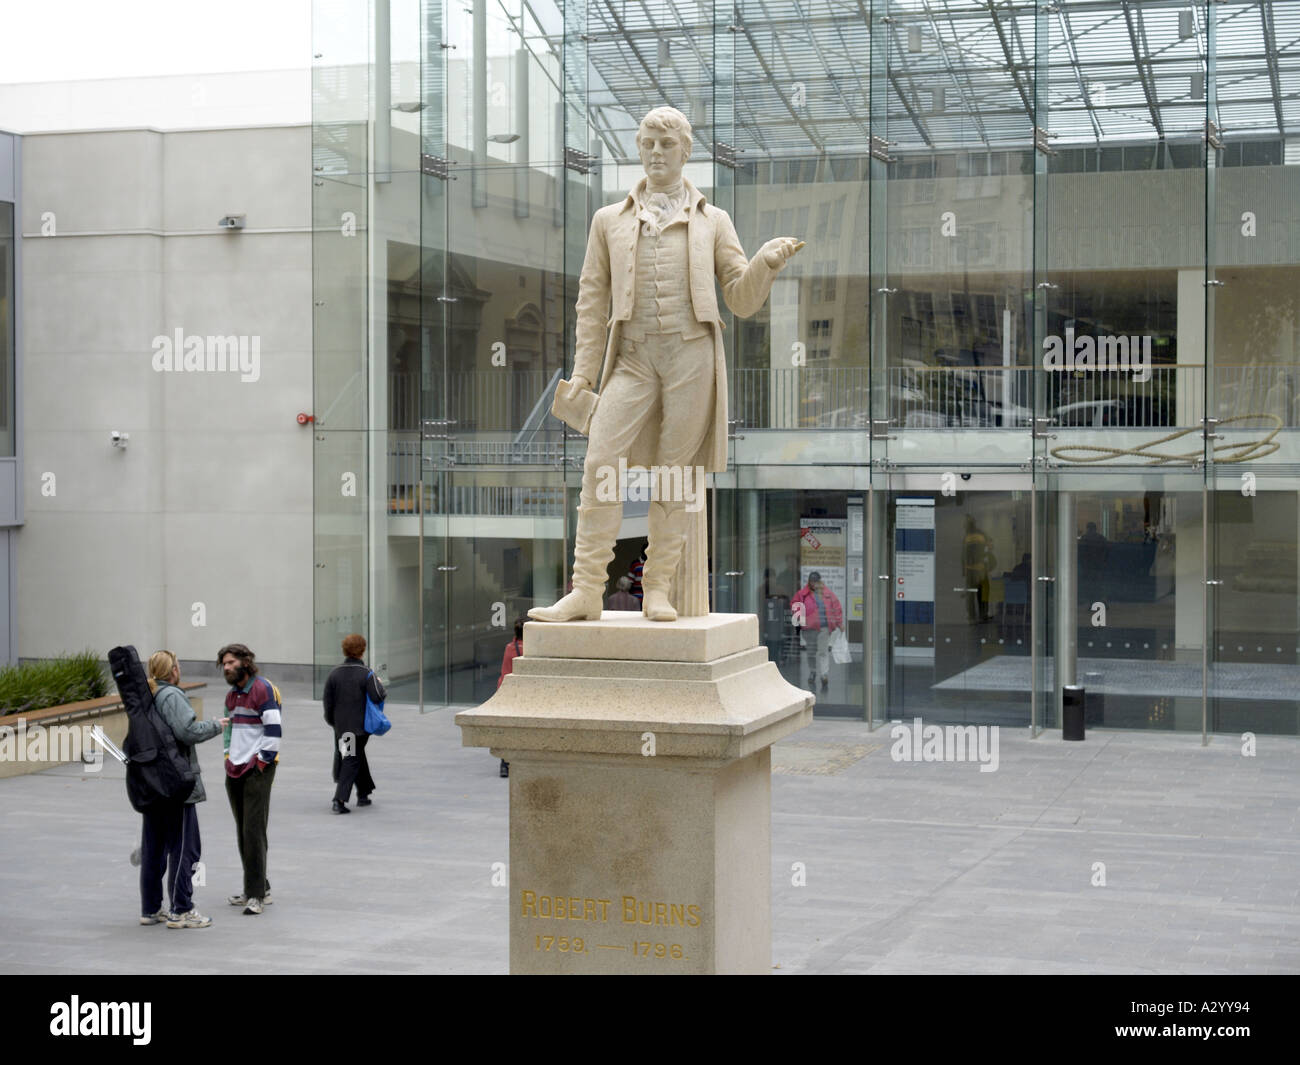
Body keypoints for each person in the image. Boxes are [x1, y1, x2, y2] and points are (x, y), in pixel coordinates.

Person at [528, 105, 803, 624]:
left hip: (690, 357)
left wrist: (764, 265)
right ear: (638, 147)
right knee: (599, 465)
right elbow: (592, 303)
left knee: (676, 477)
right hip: (630, 360)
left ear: (686, 152)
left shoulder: (713, 221)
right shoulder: (608, 220)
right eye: (648, 143)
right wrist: (585, 374)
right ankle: (586, 589)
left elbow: (740, 300)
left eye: (667, 144)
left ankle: (658, 588)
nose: (657, 153)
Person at [139, 650, 227, 929]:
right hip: (176, 783)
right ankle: (181, 909)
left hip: (152, 782)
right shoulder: (172, 696)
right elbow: (187, 731)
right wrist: (216, 725)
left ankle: (151, 909)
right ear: (173, 671)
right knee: (185, 847)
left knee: (154, 847)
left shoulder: (147, 695)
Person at [218, 643, 281, 916]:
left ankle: (256, 895)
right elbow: (228, 731)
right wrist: (227, 758)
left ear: (246, 661)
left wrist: (263, 761)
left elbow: (274, 728)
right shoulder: (232, 696)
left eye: (231, 662)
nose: (227, 667)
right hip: (235, 769)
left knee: (253, 830)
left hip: (257, 769)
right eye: (224, 664)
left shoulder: (263, 689)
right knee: (243, 828)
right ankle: (258, 886)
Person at [322, 633, 385, 814]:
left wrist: (333, 722)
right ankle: (339, 799)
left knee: (353, 755)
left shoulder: (334, 673)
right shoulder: (366, 674)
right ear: (362, 651)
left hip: (341, 727)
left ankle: (364, 792)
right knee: (351, 759)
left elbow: (328, 702)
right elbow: (378, 695)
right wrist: (379, 684)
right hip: (359, 727)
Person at [791, 571, 843, 693]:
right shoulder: (802, 595)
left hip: (824, 627)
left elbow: (836, 608)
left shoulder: (827, 594)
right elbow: (795, 605)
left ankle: (824, 674)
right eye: (812, 581)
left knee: (823, 651)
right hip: (809, 629)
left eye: (816, 581)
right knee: (811, 652)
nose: (814, 584)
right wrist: (801, 619)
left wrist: (839, 623)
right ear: (809, 582)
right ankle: (813, 671)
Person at [496, 618, 526, 778]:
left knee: (507, 727)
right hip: (524, 694)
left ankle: (504, 763)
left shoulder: (509, 648)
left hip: (507, 693)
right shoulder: (532, 650)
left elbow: (504, 672)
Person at [962, 516, 995, 623]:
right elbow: (989, 548)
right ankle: (983, 615)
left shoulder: (967, 537)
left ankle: (972, 616)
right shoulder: (981, 535)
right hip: (981, 569)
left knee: (971, 594)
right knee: (982, 594)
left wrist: (964, 570)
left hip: (971, 570)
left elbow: (963, 555)